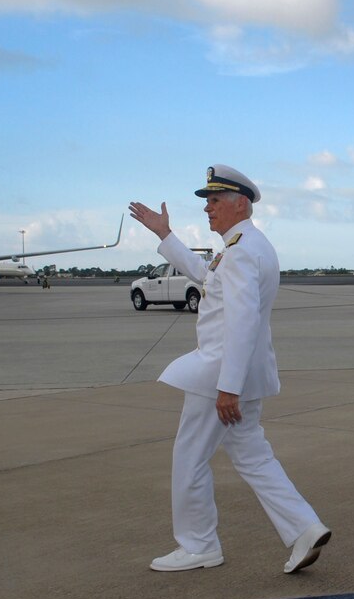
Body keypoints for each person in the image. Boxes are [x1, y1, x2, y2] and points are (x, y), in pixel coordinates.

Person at [128, 164, 331, 574]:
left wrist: (228, 388)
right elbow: (208, 278)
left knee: (189, 457)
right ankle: (304, 528)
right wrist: (165, 236)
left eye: (215, 200)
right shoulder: (246, 246)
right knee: (253, 455)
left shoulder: (240, 252)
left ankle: (198, 545)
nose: (208, 208)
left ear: (241, 204)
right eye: (207, 201)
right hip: (241, 375)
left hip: (220, 376)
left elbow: (242, 322)